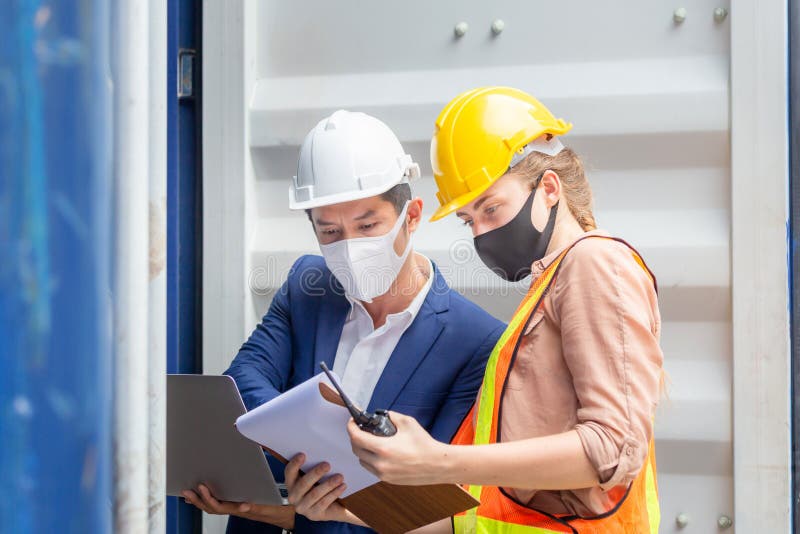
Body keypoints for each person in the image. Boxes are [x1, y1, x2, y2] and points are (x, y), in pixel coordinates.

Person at [286, 87, 664, 533]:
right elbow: (484, 515)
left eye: (491, 208)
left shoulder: (594, 262)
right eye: (469, 220)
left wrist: (437, 460)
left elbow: (612, 450)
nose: (482, 233)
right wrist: (345, 508)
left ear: (548, 188)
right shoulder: (547, 288)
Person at [181, 109, 505, 534]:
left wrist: (276, 508)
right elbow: (242, 381)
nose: (349, 247)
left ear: (411, 216)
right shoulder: (306, 285)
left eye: (368, 225)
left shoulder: (476, 341)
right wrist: (325, 448)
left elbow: (436, 508)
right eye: (330, 232)